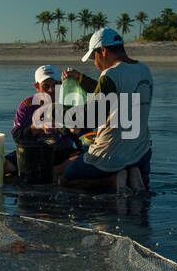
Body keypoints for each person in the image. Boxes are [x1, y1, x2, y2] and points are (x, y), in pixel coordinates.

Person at [60, 27, 153, 190]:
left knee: (66, 180)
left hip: (111, 154)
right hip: (141, 151)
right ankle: (136, 174)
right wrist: (80, 78)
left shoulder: (111, 74)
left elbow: (93, 117)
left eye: (94, 58)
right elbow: (115, 92)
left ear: (102, 51)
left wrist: (58, 111)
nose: (95, 64)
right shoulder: (144, 70)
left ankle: (114, 179)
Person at [4, 65, 79, 178]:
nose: (51, 90)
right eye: (46, 86)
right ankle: (48, 173)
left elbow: (82, 140)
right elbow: (17, 136)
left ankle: (52, 171)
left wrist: (76, 131)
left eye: (56, 85)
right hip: (33, 152)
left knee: (85, 157)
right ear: (37, 87)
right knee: (1, 164)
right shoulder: (27, 105)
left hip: (63, 154)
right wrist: (37, 127)